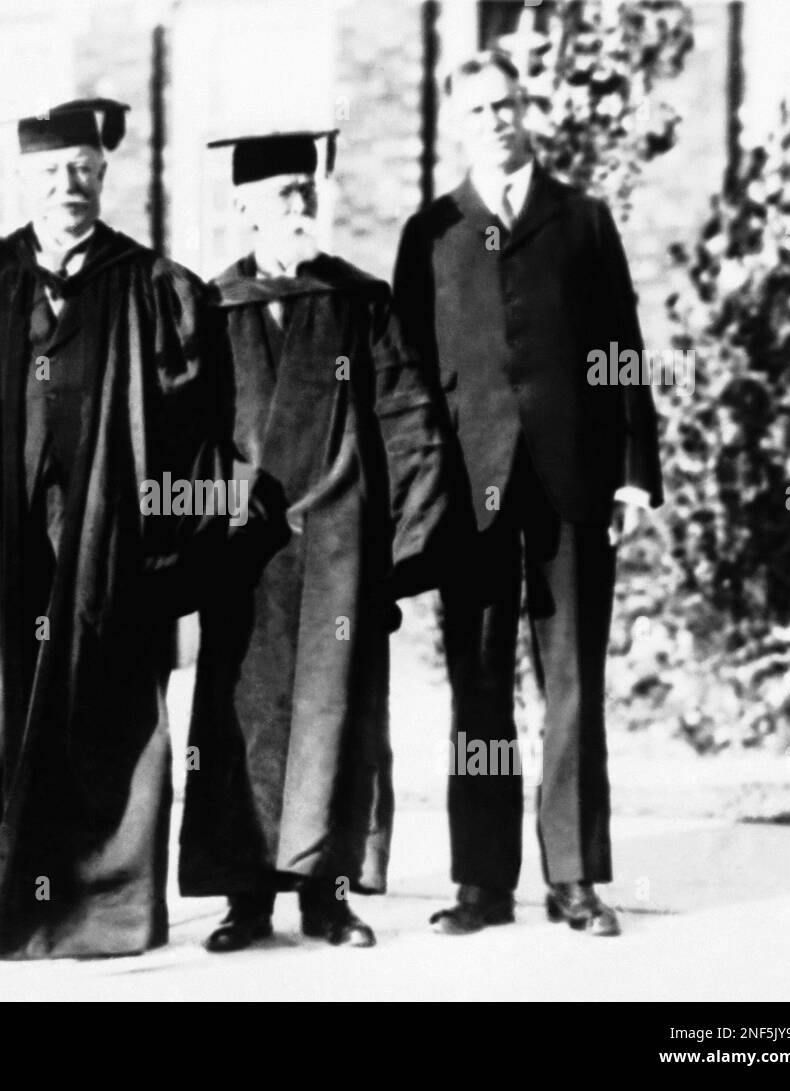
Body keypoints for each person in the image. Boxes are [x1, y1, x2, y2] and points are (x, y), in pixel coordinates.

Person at [0, 99, 227, 959]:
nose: (69, 184)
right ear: (23, 180)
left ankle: (100, 909)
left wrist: (166, 541)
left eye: (84, 169)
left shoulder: (159, 288)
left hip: (108, 532)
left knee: (106, 698)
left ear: (104, 174)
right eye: (51, 171)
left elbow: (196, 428)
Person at [392, 52, 664, 938]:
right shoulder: (429, 231)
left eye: (508, 103)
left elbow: (621, 344)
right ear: (457, 119)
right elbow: (408, 375)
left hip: (574, 482)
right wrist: (415, 492)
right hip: (470, 491)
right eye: (478, 108)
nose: (497, 119)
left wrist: (633, 471)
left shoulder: (581, 219)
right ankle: (481, 880)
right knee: (478, 687)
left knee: (573, 682)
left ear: (527, 107)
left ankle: (576, 876)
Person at [178, 130, 456, 951]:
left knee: (340, 719)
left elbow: (410, 418)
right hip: (246, 550)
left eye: (304, 191)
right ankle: (245, 898)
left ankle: (327, 898)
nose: (294, 206)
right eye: (276, 195)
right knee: (241, 723)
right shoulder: (209, 304)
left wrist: (401, 556)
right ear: (241, 208)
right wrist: (211, 514)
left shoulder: (359, 299)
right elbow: (183, 432)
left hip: (342, 543)